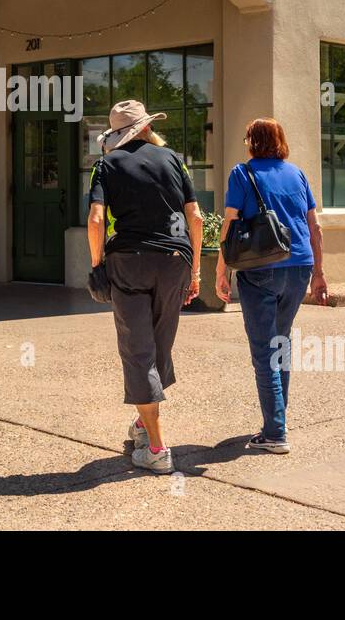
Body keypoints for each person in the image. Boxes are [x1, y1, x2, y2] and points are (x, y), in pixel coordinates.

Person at [88, 100, 203, 474]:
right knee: (159, 344)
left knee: (138, 351)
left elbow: (95, 219)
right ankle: (143, 421)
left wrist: (96, 265)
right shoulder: (173, 159)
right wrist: (196, 271)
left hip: (130, 262)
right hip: (176, 261)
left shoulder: (106, 165)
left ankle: (155, 448)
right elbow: (196, 218)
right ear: (146, 128)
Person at [215, 117, 327, 454]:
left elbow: (230, 223)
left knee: (265, 351)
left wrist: (222, 269)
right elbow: (315, 226)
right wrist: (320, 273)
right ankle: (277, 420)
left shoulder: (242, 173)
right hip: (300, 266)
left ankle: (276, 433)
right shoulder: (297, 174)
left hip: (261, 267)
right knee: (281, 343)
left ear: (252, 141)